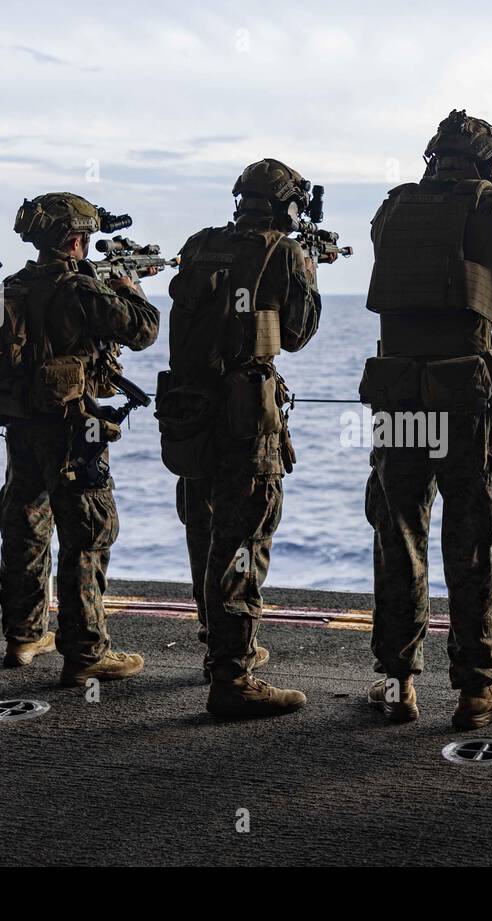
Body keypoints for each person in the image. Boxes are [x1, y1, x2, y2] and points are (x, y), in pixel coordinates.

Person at [362, 110, 492, 729]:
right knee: (473, 539)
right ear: (489, 161)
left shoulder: (393, 207)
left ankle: (396, 685)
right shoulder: (490, 208)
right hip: (461, 395)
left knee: (398, 534)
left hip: (397, 393)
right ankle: (476, 690)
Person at [0, 193, 158, 684]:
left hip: (21, 425)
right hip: (74, 429)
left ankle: (24, 635)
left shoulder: (8, 290)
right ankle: (86, 653)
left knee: (25, 523)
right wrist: (130, 288)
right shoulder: (81, 290)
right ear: (76, 240)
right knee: (87, 535)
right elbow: (144, 330)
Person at [159, 159, 323, 717]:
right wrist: (308, 270)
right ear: (287, 205)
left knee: (203, 526)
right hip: (244, 416)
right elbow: (297, 334)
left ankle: (218, 642)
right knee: (245, 538)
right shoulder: (285, 252)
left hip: (191, 407)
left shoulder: (201, 243)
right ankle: (233, 677)